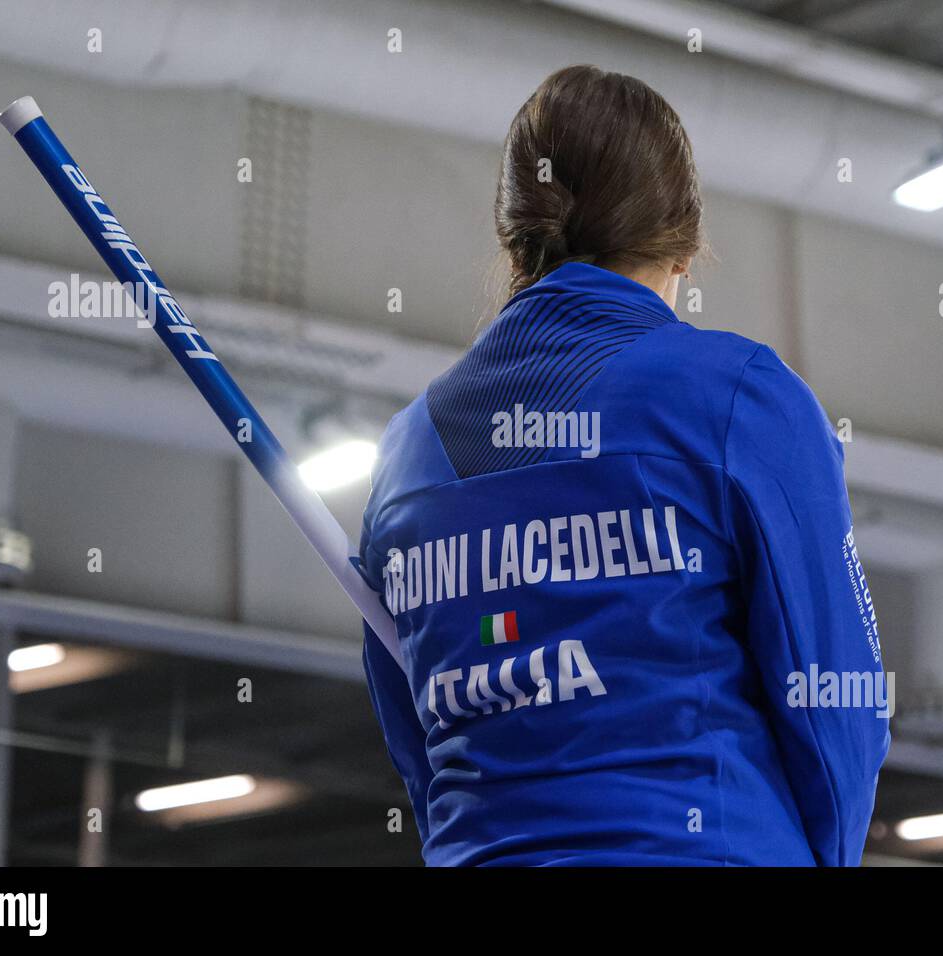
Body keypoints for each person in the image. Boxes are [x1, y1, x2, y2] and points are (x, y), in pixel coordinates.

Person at [358, 64, 889, 866]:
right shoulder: (738, 399)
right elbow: (832, 706)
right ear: (682, 248)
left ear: (516, 234)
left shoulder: (406, 455)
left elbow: (418, 742)